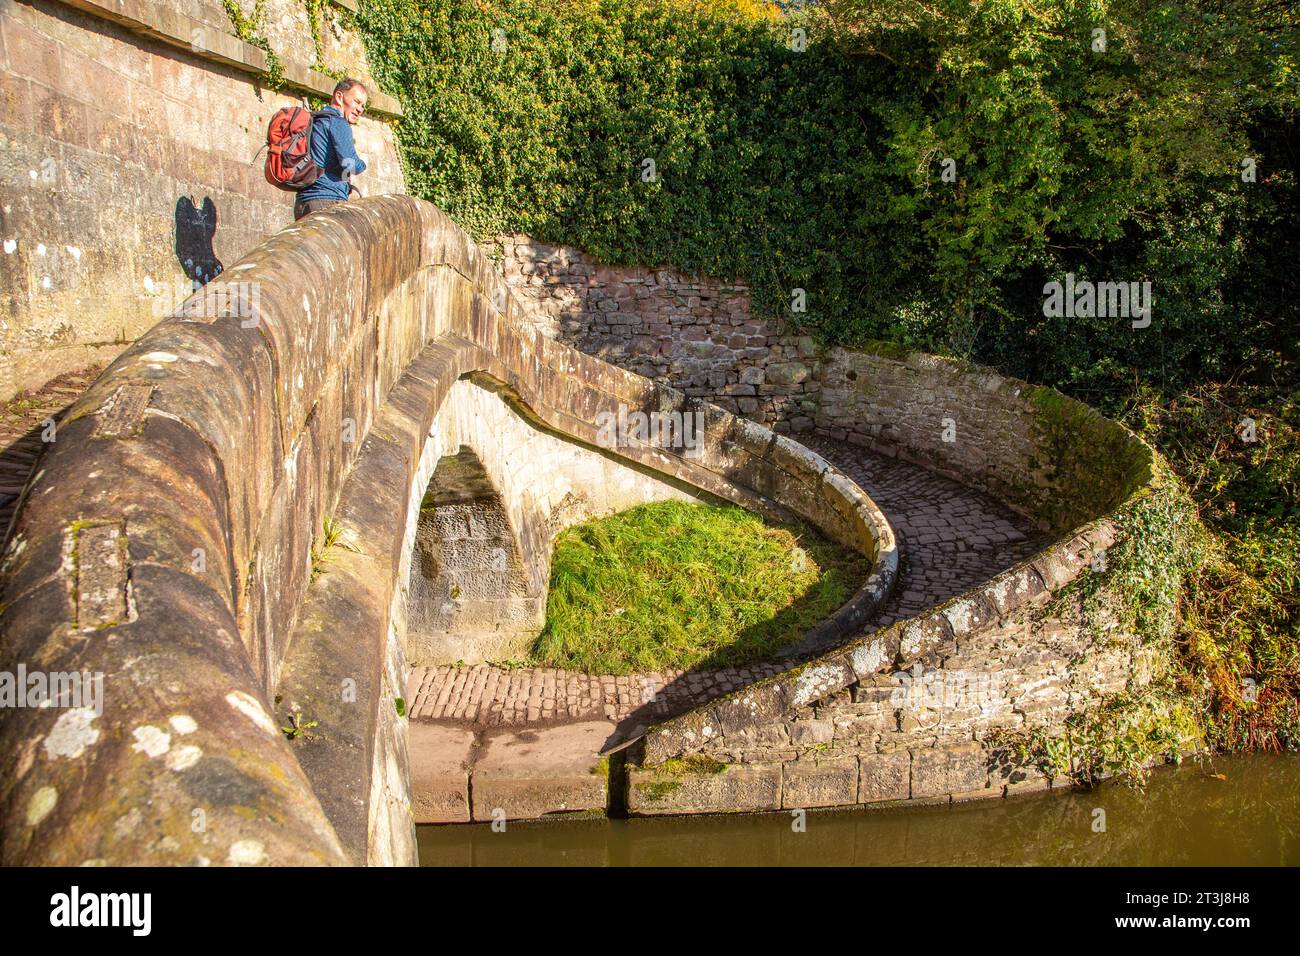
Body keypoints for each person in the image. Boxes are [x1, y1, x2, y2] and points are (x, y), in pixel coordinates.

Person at [294, 78, 369, 221]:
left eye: (363, 106)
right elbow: (350, 164)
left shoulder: (316, 120)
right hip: (327, 200)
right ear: (339, 97)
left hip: (303, 203)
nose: (360, 109)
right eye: (356, 102)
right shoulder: (338, 122)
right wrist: (363, 164)